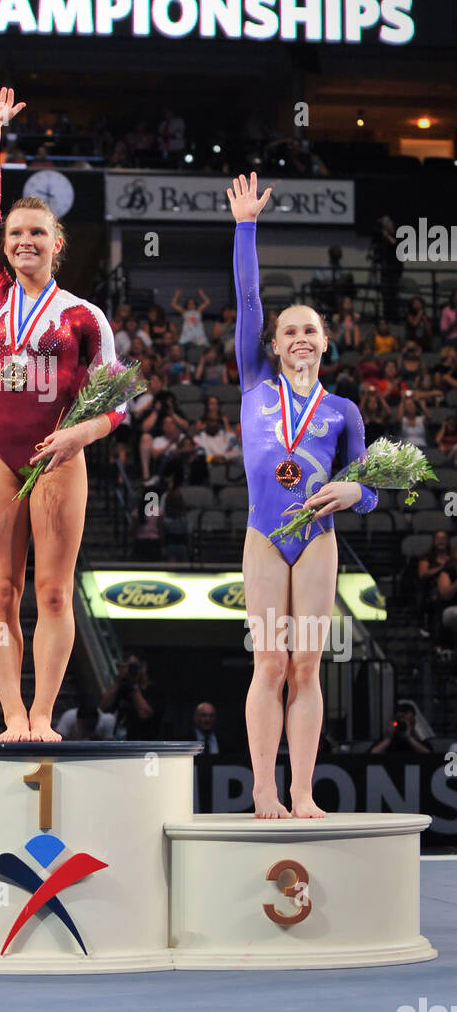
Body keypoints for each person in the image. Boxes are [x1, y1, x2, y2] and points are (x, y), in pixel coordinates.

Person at [0, 87, 127, 740]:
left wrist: (81, 433)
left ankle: (43, 713)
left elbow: (118, 397)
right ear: (3, 244)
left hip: (58, 456)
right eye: (16, 232)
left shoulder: (83, 314)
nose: (24, 239)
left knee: (54, 594)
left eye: (37, 232)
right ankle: (11, 715)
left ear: (56, 242)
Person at [228, 172, 378, 819]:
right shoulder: (253, 383)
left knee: (305, 667)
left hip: (316, 543)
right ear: (271, 344)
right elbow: (248, 298)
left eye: (308, 330)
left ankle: (301, 790)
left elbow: (369, 490)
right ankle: (264, 788)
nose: (296, 337)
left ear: (323, 341)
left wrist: (354, 491)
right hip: (264, 536)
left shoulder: (342, 410)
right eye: (287, 330)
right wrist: (245, 225)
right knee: (269, 663)